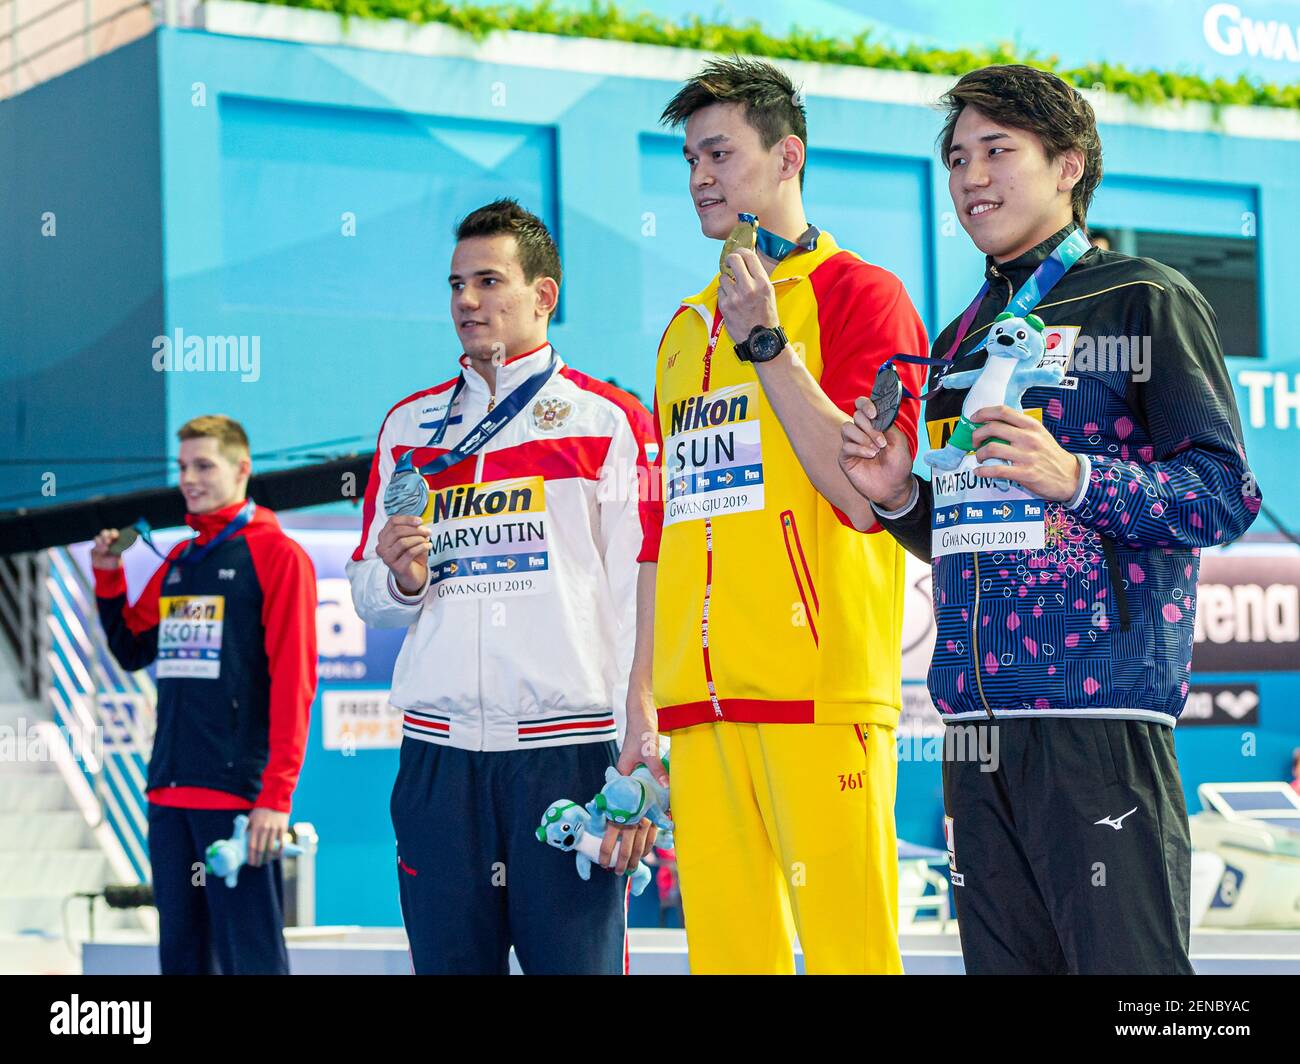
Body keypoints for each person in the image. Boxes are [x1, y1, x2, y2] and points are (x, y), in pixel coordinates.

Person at [838, 64, 1261, 975]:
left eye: (999, 151)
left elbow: (1224, 493)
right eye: (957, 158)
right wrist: (900, 495)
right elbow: (967, 526)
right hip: (975, 728)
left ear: (1069, 164)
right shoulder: (958, 341)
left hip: (1101, 720)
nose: (971, 177)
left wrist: (1079, 478)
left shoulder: (1143, 298)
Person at [617, 56, 930, 974]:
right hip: (698, 706)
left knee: (849, 958)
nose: (700, 178)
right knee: (728, 961)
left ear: (788, 155)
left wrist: (768, 343)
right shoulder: (683, 327)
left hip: (818, 692)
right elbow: (672, 535)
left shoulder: (861, 295)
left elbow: (865, 490)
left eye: (720, 153)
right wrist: (648, 689)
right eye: (687, 161)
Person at [347, 198, 658, 975]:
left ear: (542, 295)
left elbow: (645, 597)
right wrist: (403, 577)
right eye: (456, 284)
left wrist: (644, 753)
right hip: (438, 766)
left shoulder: (611, 421)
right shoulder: (409, 427)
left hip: (567, 759)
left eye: (489, 281)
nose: (466, 302)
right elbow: (369, 594)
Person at [92, 414, 318, 975]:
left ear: (242, 469)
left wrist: (275, 797)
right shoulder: (182, 561)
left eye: (203, 465)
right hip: (168, 791)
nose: (188, 479)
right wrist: (107, 577)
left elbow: (295, 684)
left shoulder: (278, 556)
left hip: (237, 798)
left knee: (252, 957)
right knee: (182, 956)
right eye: (183, 467)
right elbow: (131, 648)